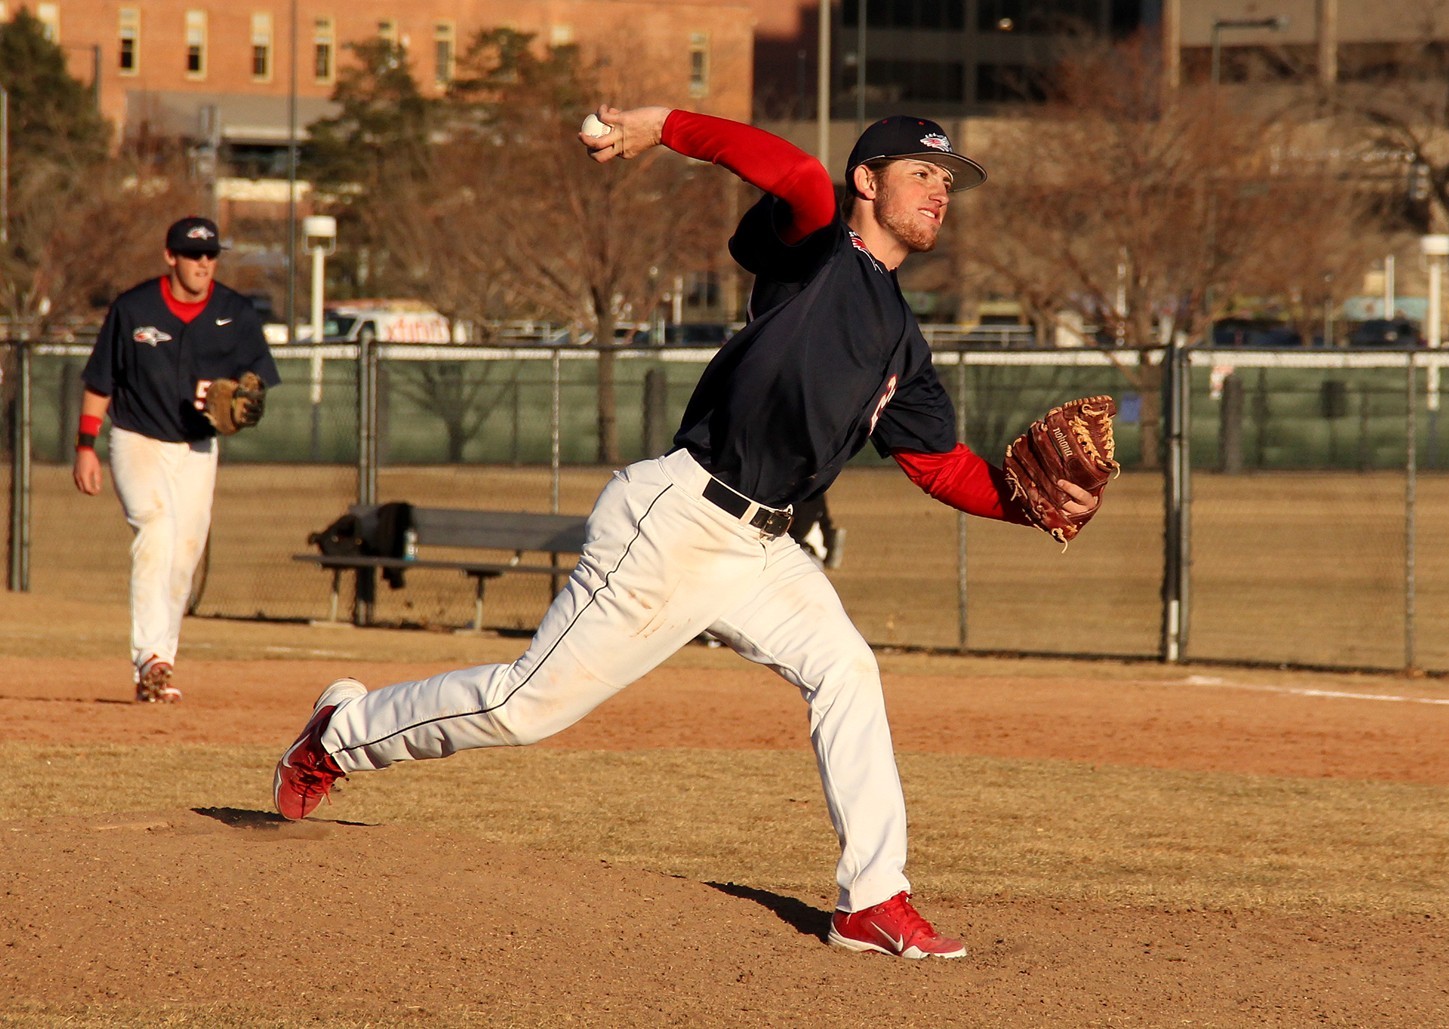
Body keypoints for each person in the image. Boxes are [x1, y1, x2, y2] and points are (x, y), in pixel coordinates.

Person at [272, 108, 1098, 960]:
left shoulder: (902, 339)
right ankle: (339, 731)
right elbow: (795, 176)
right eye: (922, 173)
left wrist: (1032, 503)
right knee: (527, 708)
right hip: (678, 518)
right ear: (867, 181)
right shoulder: (816, 253)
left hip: (765, 547)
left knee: (847, 668)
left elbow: (936, 462)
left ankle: (871, 899)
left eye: (949, 180)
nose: (941, 191)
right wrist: (659, 125)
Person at [74, 216, 278, 703]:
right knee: (157, 527)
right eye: (192, 254)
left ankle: (159, 665)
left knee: (186, 552)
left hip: (197, 446)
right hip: (136, 437)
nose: (202, 263)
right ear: (171, 257)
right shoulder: (134, 308)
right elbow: (101, 380)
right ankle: (148, 654)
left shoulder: (235, 311)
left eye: (209, 255)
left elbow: (257, 381)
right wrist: (86, 447)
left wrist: (248, 402)